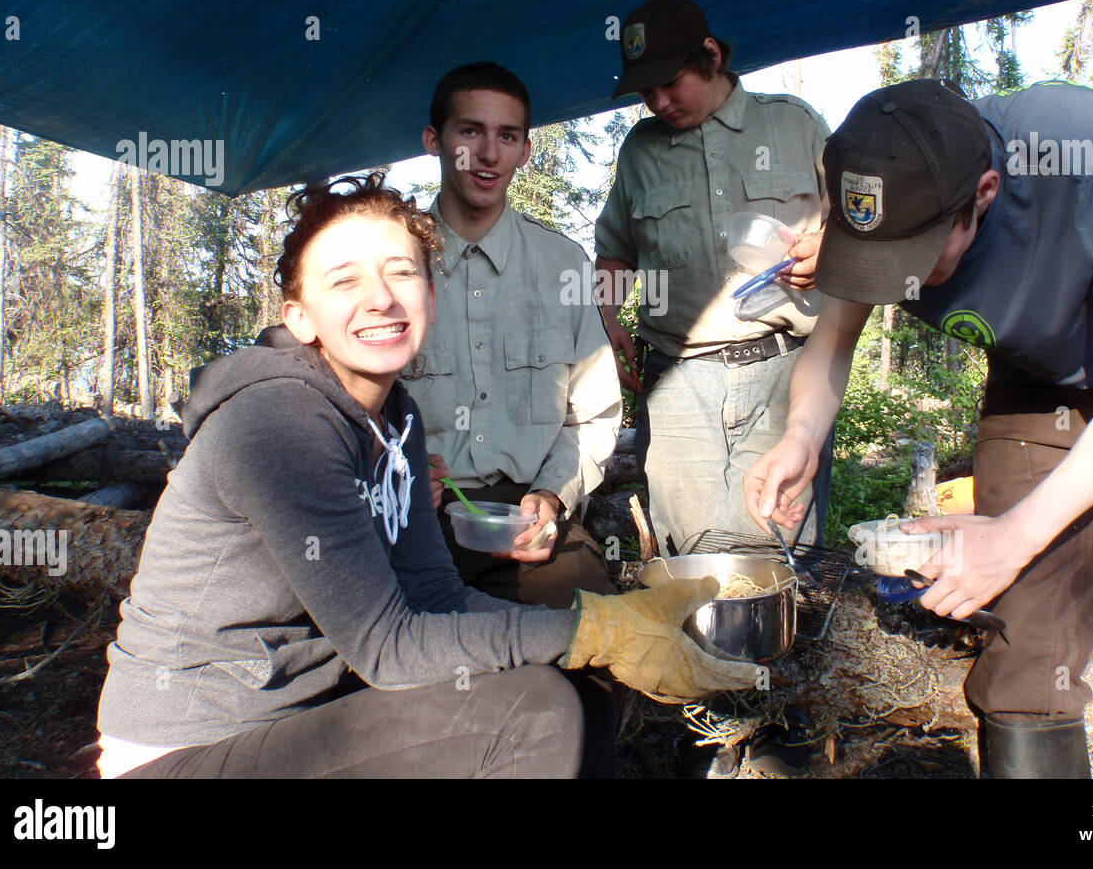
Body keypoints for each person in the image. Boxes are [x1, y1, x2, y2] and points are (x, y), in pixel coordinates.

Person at [96, 173, 758, 780]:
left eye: (400, 272)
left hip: (308, 716)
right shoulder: (279, 422)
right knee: (532, 711)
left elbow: (437, 599)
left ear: (432, 298)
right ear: (299, 316)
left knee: (564, 690)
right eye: (344, 280)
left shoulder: (398, 420)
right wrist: (594, 632)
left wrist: (599, 618)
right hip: (194, 746)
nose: (380, 297)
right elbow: (387, 645)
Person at [746, 79, 1093, 778]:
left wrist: (1016, 534)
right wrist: (801, 436)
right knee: (1027, 639)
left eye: (913, 261)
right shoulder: (879, 188)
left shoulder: (1084, 157)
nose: (896, 282)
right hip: (1041, 376)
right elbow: (833, 342)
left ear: (984, 194)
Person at [594, 0, 833, 555]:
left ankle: (769, 643)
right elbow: (614, 252)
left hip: (787, 371)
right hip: (677, 382)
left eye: (669, 82)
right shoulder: (641, 151)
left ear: (711, 55)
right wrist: (607, 320)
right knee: (693, 558)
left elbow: (861, 223)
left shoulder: (794, 124)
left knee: (775, 549)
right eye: (644, 90)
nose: (657, 101)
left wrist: (831, 248)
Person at [406, 62, 622, 610]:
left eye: (507, 136)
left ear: (525, 151)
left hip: (524, 511)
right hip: (415, 514)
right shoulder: (392, 262)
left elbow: (591, 415)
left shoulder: (561, 264)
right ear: (435, 140)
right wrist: (397, 475)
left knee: (590, 618)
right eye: (470, 131)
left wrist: (551, 495)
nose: (488, 154)